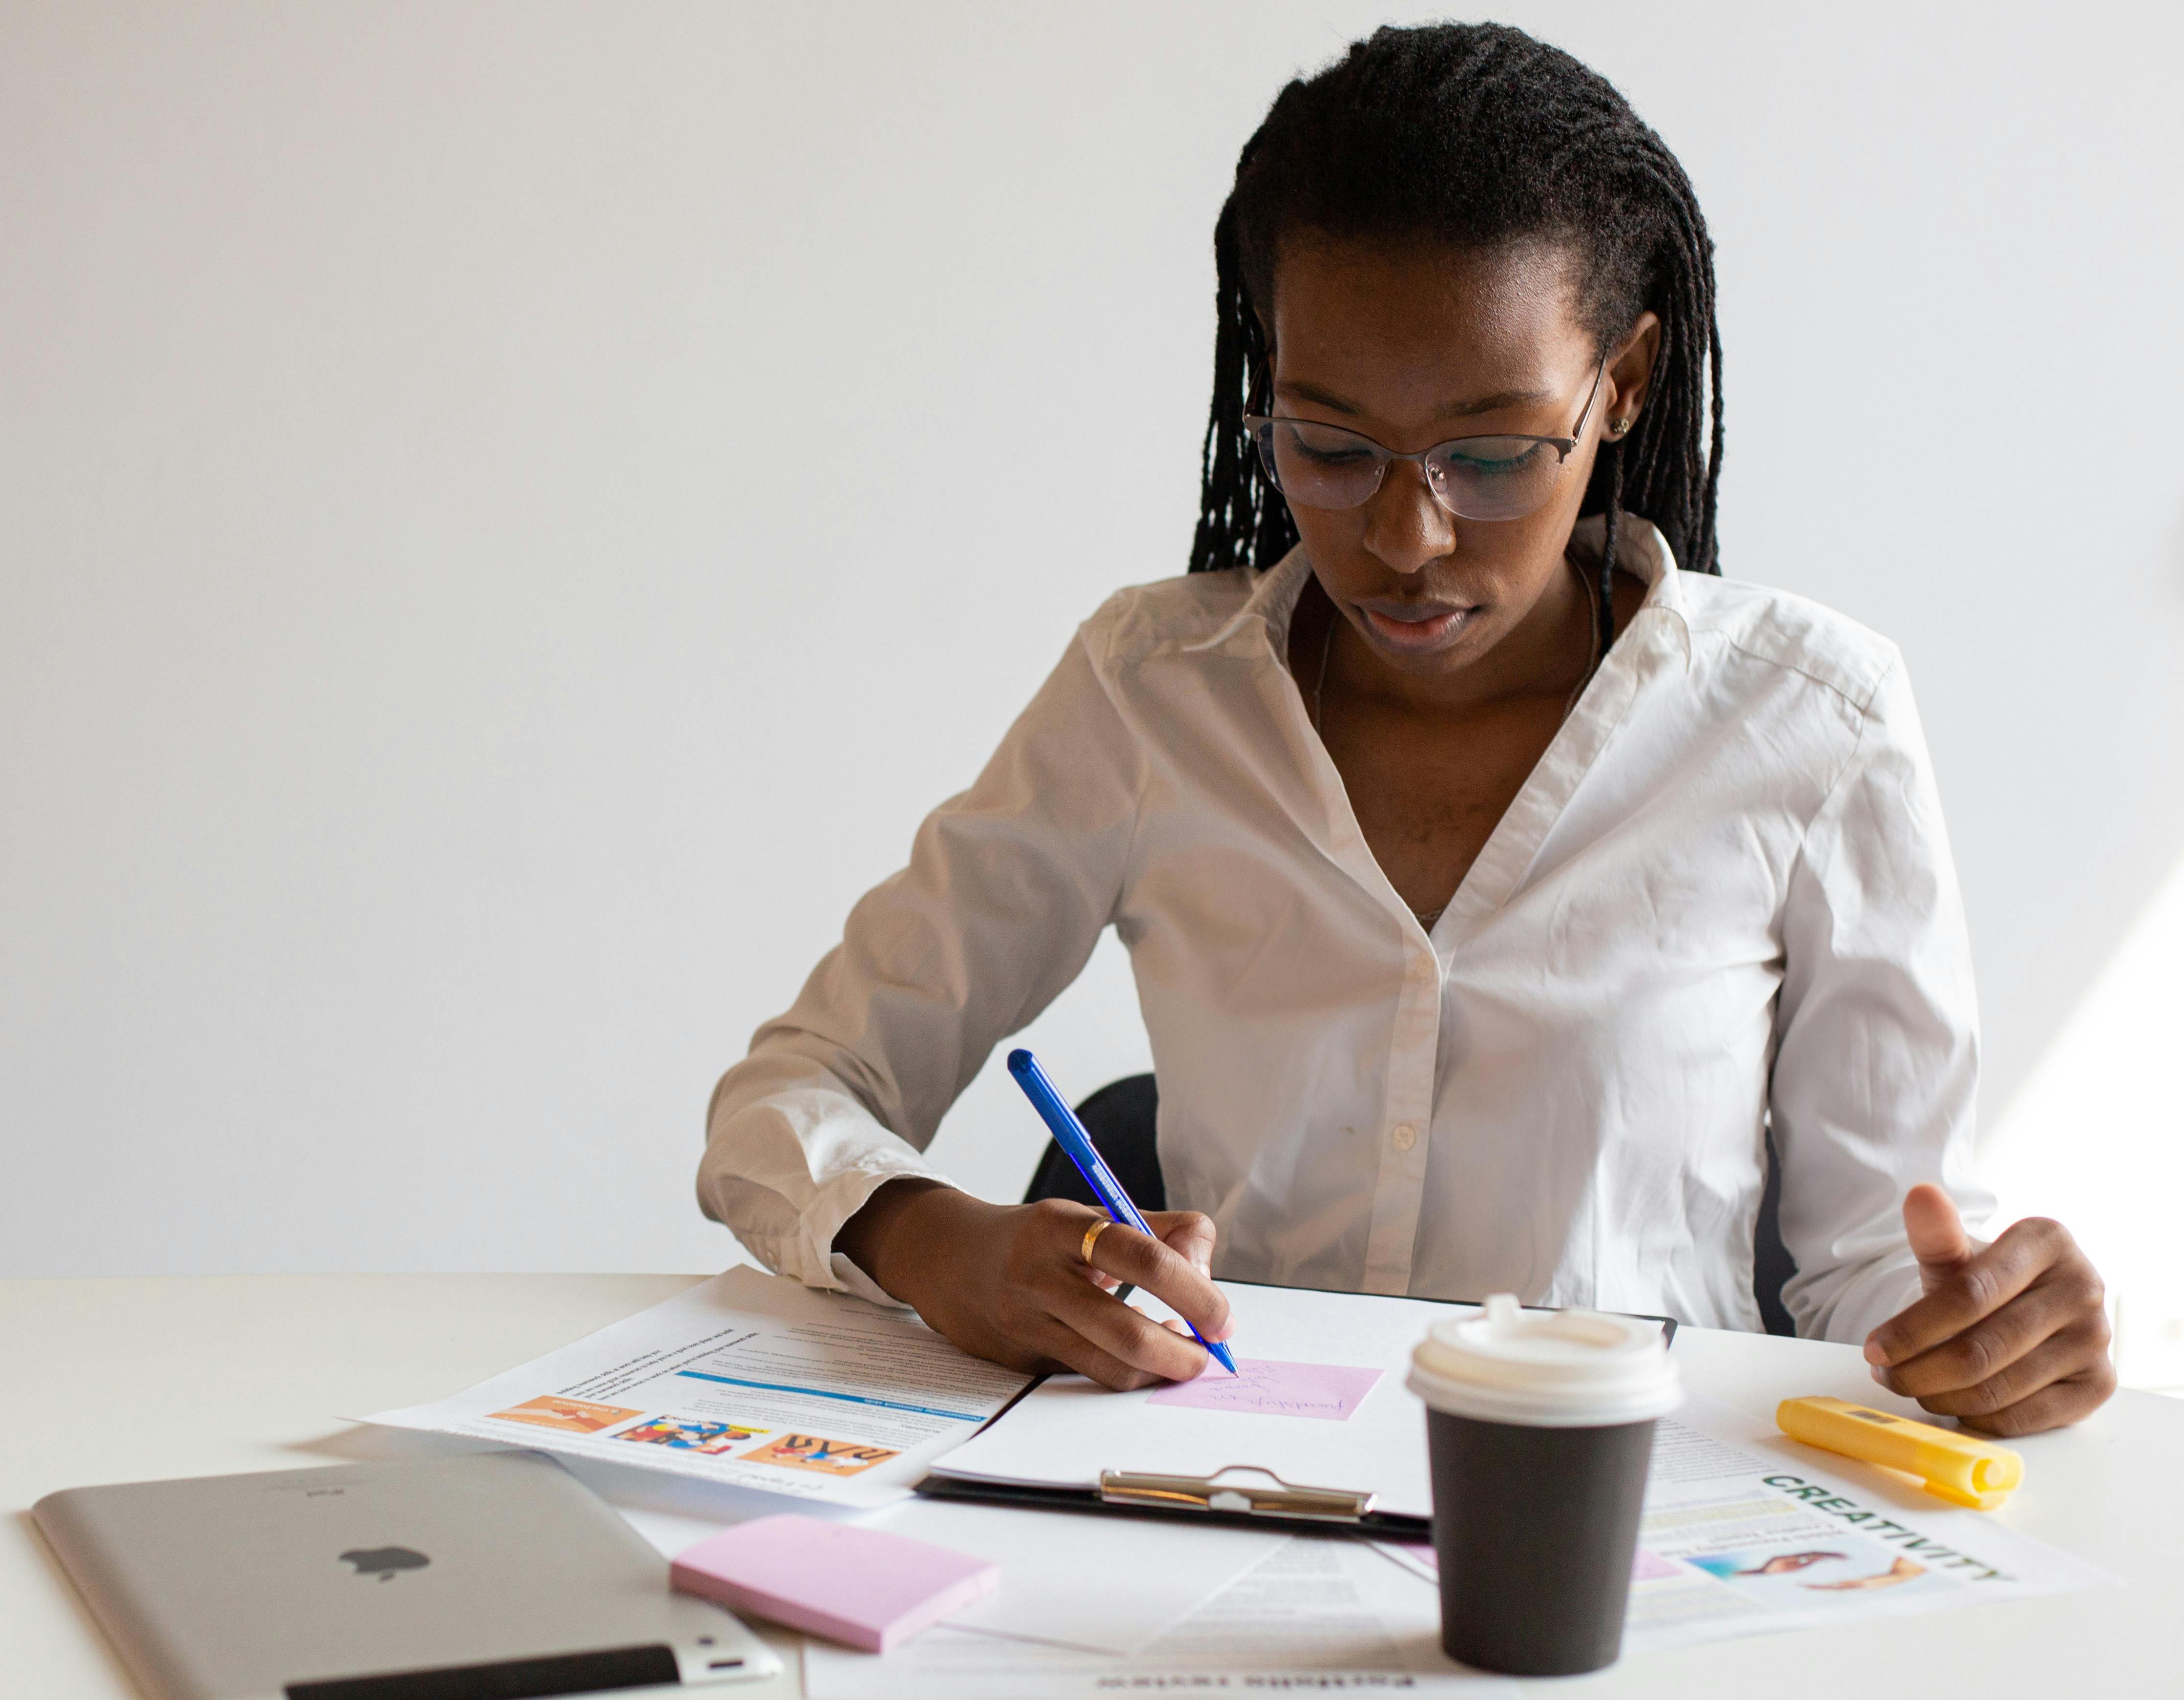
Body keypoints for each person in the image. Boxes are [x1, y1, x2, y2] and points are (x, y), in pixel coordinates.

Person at [697, 23, 2113, 1435]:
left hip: (1628, 1522)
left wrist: (1991, 1334)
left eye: (1492, 455)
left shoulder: (1815, 724)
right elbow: (791, 1094)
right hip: (1221, 1492)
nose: (1404, 534)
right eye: (1329, 443)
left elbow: (1883, 1273)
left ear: (1620, 382)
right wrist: (933, 1239)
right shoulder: (1153, 694)